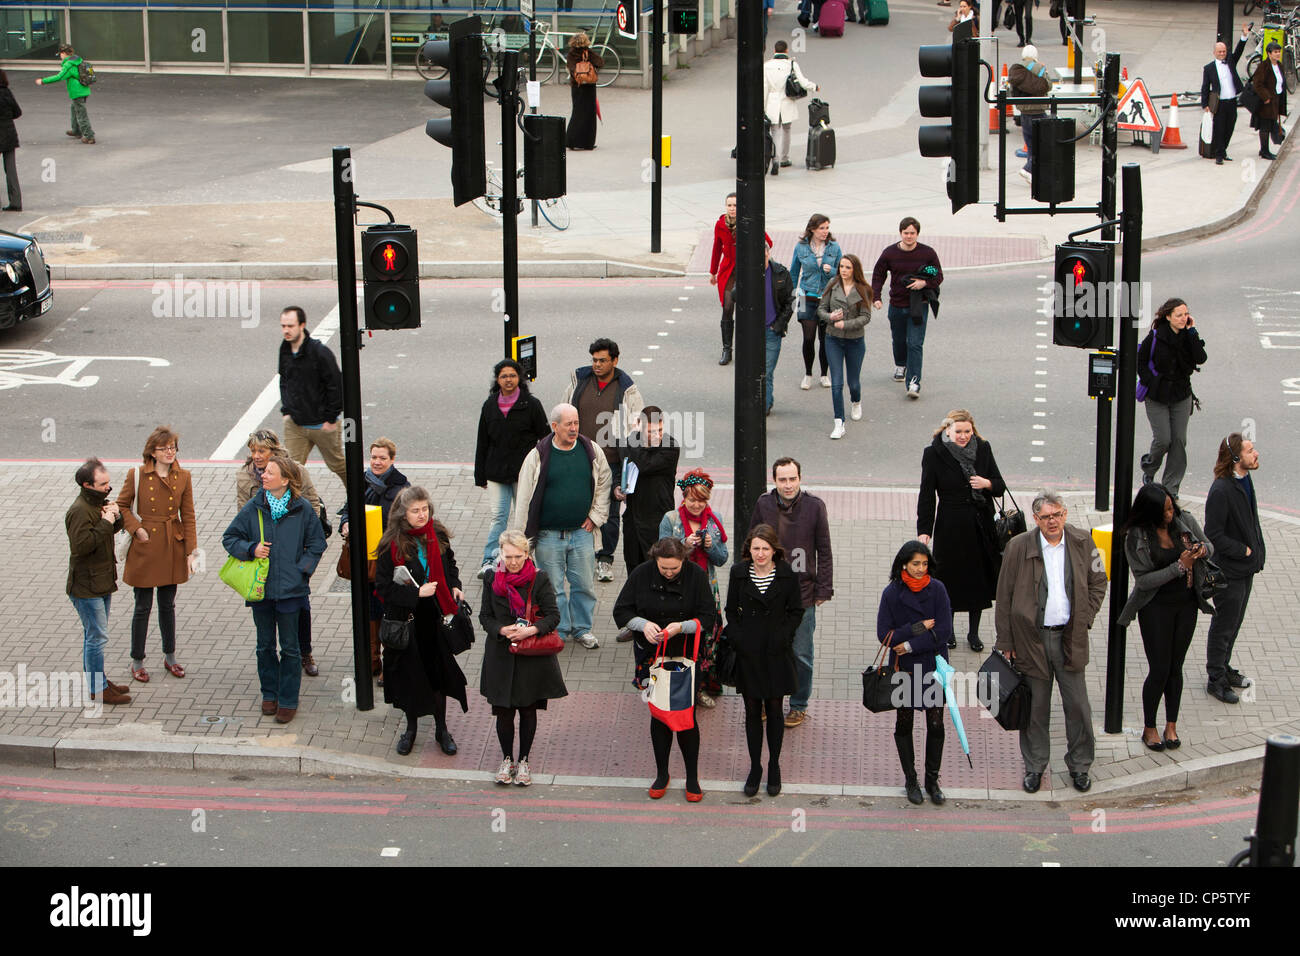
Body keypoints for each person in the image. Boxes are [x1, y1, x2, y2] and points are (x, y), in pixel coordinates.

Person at [994, 491, 1107, 793]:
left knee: (1079, 707)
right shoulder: (1017, 547)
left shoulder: (1084, 541)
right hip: (1031, 641)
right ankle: (1034, 767)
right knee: (1035, 710)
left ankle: (1080, 766)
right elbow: (1003, 597)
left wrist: (1085, 618)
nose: (1052, 521)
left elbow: (1099, 580)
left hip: (1070, 638)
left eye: (1057, 514)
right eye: (1046, 517)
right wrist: (1005, 640)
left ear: (1065, 514)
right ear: (1036, 519)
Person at [222, 456, 326, 724]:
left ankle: (289, 700)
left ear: (285, 480)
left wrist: (302, 570)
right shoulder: (254, 507)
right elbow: (229, 538)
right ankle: (269, 693)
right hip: (262, 592)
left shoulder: (302, 509)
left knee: (290, 649)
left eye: (269, 472)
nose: (263, 476)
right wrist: (250, 549)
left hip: (292, 592)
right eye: (264, 472)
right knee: (264, 646)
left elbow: (317, 544)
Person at [613, 537, 717, 802]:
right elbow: (622, 610)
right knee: (658, 715)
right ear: (655, 560)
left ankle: (692, 777)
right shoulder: (641, 574)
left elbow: (708, 617)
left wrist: (681, 627)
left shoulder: (696, 575)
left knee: (685, 717)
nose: (669, 573)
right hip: (652, 656)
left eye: (674, 568)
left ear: (683, 560)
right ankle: (662, 773)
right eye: (664, 568)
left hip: (685, 656)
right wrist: (642, 624)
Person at [1117, 485, 1214, 751]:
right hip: (1155, 608)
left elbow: (1210, 545)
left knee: (1175, 667)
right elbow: (1144, 580)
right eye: (1166, 510)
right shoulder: (1137, 537)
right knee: (1159, 669)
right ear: (1150, 512)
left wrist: (1201, 551)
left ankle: (1171, 725)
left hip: (1186, 605)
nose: (1172, 513)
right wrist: (1180, 567)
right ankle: (1150, 727)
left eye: (1172, 507)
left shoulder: (1185, 522)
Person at [374, 487, 468, 756]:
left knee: (439, 678)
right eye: (415, 510)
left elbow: (450, 563)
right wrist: (415, 593)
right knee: (411, 680)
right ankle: (411, 729)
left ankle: (441, 729)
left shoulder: (436, 533)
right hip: (409, 621)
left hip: (436, 620)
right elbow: (383, 588)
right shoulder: (391, 543)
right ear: (403, 513)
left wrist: (455, 585)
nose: (421, 514)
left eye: (425, 509)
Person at [515, 403, 612, 649]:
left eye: (576, 423)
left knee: (584, 586)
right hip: (548, 536)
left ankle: (582, 629)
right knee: (554, 589)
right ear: (554, 426)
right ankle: (559, 629)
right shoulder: (538, 455)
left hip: (582, 533)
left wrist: (596, 517)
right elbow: (525, 498)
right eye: (568, 424)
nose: (574, 428)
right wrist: (521, 539)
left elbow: (604, 483)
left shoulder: (591, 450)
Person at [748, 457, 833, 728]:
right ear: (774, 480)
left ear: (800, 478)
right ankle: (765, 699)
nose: (788, 485)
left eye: (792, 479)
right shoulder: (763, 504)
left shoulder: (815, 506)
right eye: (782, 479)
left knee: (801, 654)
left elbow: (825, 551)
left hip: (803, 595)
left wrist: (823, 588)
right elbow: (751, 543)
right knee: (765, 650)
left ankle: (798, 704)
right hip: (767, 592)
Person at [235, 428, 326, 678]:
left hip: (292, 554)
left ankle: (305, 652)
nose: (256, 456)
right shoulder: (245, 477)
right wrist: (253, 548)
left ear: (273, 451)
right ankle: (274, 670)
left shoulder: (293, 470)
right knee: (265, 615)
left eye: (261, 451)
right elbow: (242, 517)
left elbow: (312, 504)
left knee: (301, 608)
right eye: (253, 451)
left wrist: (304, 546)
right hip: (263, 557)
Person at [479, 530, 567, 786]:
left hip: (531, 656)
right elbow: (485, 617)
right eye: (508, 557)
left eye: (518, 556)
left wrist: (530, 630)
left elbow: (553, 616)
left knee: (528, 711)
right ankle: (507, 759)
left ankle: (524, 760)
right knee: (504, 713)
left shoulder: (539, 580)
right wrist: (502, 630)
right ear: (501, 555)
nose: (513, 562)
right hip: (501, 655)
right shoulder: (491, 578)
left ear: (527, 555)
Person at [917, 410, 1007, 653]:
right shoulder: (934, 454)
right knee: (949, 580)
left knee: (977, 580)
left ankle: (974, 633)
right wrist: (924, 529)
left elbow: (999, 485)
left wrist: (986, 483)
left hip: (979, 525)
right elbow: (927, 495)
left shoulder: (983, 448)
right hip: (950, 525)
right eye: (959, 432)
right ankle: (950, 631)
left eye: (967, 431)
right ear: (948, 430)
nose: (964, 436)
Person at [724, 524, 802, 798]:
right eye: (755, 548)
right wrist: (739, 638)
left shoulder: (786, 575)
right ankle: (755, 767)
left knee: (775, 710)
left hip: (776, 653)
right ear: (749, 549)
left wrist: (782, 637)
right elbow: (731, 611)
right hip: (749, 653)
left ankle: (774, 765)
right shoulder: (738, 574)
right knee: (752, 711)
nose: (759, 554)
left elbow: (796, 611)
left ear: (774, 550)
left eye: (765, 549)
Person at [116, 426, 198, 683]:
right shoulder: (137, 475)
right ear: (153, 451)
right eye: (165, 448)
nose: (170, 452)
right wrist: (136, 528)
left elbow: (189, 516)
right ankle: (137, 660)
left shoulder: (183, 476)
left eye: (173, 447)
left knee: (167, 605)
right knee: (142, 606)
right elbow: (121, 506)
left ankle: (170, 656)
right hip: (145, 545)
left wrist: (191, 552)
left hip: (172, 545)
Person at [561, 338, 644, 584]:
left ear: (615, 361)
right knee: (579, 504)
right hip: (580, 457)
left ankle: (605, 558)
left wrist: (630, 466)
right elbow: (562, 412)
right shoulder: (580, 382)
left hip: (612, 461)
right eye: (594, 360)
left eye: (603, 360)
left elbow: (636, 430)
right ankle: (580, 553)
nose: (597, 364)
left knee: (609, 512)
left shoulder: (627, 389)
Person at [877, 541, 953, 805]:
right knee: (904, 721)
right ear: (903, 565)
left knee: (935, 722)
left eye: (924, 564)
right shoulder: (891, 593)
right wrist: (918, 627)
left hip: (932, 666)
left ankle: (932, 780)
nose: (920, 569)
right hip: (905, 669)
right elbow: (884, 634)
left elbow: (943, 632)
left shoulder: (938, 590)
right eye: (915, 564)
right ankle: (911, 779)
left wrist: (908, 643)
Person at [339, 436, 411, 682]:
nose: (377, 462)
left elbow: (404, 524)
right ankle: (371, 659)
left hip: (387, 559)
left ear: (392, 460)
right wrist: (346, 523)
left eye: (382, 458)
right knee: (368, 610)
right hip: (363, 557)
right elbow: (348, 508)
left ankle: (389, 663)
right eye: (373, 457)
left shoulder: (401, 487)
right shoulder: (361, 480)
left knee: (387, 608)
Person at [659, 469, 729, 707]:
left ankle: (701, 686)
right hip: (677, 589)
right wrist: (682, 545)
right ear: (684, 497)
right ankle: (680, 685)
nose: (697, 505)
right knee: (681, 640)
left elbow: (721, 559)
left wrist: (710, 546)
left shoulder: (714, 519)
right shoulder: (670, 519)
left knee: (707, 639)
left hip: (707, 589)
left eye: (701, 500)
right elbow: (659, 555)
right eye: (692, 499)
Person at [474, 358, 550, 577]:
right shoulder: (490, 405)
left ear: (520, 378)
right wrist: (480, 476)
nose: (508, 380)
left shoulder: (531, 404)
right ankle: (490, 559)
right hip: (496, 473)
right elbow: (483, 441)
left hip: (523, 473)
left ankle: (524, 558)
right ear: (497, 380)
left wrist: (542, 471)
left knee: (523, 517)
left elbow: (544, 439)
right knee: (499, 516)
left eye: (512, 375)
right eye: (503, 376)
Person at [1203, 433, 1264, 704]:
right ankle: (1215, 678)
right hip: (1230, 570)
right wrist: (1243, 550)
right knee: (1224, 624)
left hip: (1246, 568)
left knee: (1235, 622)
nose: (1256, 454)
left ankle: (1224, 668)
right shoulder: (1221, 490)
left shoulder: (1244, 480)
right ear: (1237, 458)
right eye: (1250, 451)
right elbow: (1213, 534)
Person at [65, 458, 131, 705]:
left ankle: (100, 682)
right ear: (87, 484)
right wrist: (106, 521)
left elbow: (109, 529)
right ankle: (97, 688)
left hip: (101, 581)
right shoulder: (79, 511)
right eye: (103, 484)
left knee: (93, 636)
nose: (108, 488)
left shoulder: (96, 502)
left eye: (108, 483)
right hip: (87, 586)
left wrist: (115, 516)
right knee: (97, 637)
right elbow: (81, 546)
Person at [1137, 298, 1207, 500]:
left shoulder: (1188, 336)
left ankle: (1171, 488)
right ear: (1168, 317)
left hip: (1181, 395)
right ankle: (1150, 468)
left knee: (1178, 441)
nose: (1183, 318)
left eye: (1186, 314)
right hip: (1157, 395)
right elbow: (1140, 361)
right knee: (1163, 439)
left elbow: (1201, 358)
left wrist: (1192, 332)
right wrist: (1151, 381)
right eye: (1179, 315)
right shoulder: (1156, 337)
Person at [872, 217, 943, 399]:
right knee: (899, 339)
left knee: (915, 343)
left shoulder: (927, 254)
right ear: (900, 233)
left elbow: (937, 275)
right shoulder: (890, 253)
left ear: (917, 234)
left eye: (912, 233)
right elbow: (879, 274)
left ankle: (914, 382)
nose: (909, 236)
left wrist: (924, 283)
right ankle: (901, 364)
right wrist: (876, 297)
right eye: (906, 233)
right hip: (896, 303)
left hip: (918, 305)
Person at [278, 306, 346, 493]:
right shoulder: (284, 349)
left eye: (290, 325)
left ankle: (359, 497)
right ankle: (293, 507)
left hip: (322, 425)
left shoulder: (319, 352)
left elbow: (336, 385)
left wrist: (331, 418)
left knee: (338, 465)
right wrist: (287, 411)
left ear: (302, 325)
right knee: (290, 469)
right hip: (296, 425)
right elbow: (284, 380)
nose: (286, 330)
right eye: (283, 326)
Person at [709, 194, 775, 366]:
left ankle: (749, 349)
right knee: (728, 307)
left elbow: (768, 242)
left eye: (736, 205)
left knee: (748, 310)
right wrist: (713, 271)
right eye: (729, 205)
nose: (732, 208)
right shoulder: (720, 224)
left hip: (746, 270)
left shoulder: (748, 221)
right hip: (728, 271)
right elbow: (716, 247)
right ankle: (727, 349)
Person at [615, 406, 680, 575]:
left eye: (660, 429)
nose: (657, 435)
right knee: (634, 573)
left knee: (657, 572)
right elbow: (620, 471)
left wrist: (634, 441)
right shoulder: (629, 443)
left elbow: (643, 464)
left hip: (658, 521)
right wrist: (616, 488)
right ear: (639, 425)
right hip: (634, 521)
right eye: (651, 431)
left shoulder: (670, 447)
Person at [817, 253, 872, 439]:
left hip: (855, 340)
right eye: (841, 267)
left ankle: (856, 401)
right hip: (833, 339)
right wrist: (831, 318)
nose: (844, 270)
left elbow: (866, 317)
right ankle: (839, 422)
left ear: (855, 269)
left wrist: (845, 324)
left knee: (853, 383)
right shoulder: (833, 284)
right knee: (837, 383)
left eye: (848, 267)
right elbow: (821, 309)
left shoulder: (863, 289)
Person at [790, 215, 841, 392]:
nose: (825, 232)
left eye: (827, 228)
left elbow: (844, 271)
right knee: (808, 338)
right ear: (812, 229)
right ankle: (808, 373)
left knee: (825, 339)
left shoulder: (834, 247)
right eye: (822, 228)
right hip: (806, 296)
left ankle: (824, 374)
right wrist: (791, 299)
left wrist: (832, 270)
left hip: (827, 298)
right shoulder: (801, 247)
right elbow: (794, 273)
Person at [763, 42, 817, 175]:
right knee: (787, 130)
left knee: (774, 131)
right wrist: (814, 86)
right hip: (787, 101)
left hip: (772, 101)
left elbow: (764, 88)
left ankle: (774, 160)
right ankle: (784, 158)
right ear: (786, 50)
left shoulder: (766, 66)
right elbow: (802, 82)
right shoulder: (791, 64)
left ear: (774, 50)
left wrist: (763, 106)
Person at [1201, 27, 1250, 165]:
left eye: (1224, 51)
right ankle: (1219, 154)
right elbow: (1205, 87)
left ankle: (1224, 150)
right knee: (1219, 128)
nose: (1222, 54)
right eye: (1220, 52)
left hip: (1232, 101)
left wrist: (1244, 37)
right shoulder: (1209, 68)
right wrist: (1205, 104)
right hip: (1219, 103)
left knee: (1230, 126)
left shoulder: (1230, 61)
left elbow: (1239, 51)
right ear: (1214, 53)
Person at [761, 240, 797, 416]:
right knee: (755, 371)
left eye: (764, 254)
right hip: (752, 333)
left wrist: (779, 325)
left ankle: (765, 406)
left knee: (766, 371)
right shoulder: (747, 272)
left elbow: (791, 302)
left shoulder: (781, 272)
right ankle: (766, 400)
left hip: (771, 331)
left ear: (768, 253)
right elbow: (736, 295)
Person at [1009, 46, 1052, 185]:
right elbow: (1048, 85)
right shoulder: (1039, 67)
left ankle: (1032, 174)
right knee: (1044, 143)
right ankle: (1028, 169)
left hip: (1024, 113)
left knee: (1030, 144)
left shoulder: (1017, 70)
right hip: (1038, 111)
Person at [35, 45, 93, 144]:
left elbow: (59, 77)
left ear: (64, 53)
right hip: (84, 89)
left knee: (81, 114)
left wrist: (43, 81)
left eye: (60, 54)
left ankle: (89, 136)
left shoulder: (68, 64)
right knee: (74, 109)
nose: (60, 56)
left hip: (77, 92)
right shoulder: (78, 60)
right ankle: (76, 130)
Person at [565, 32, 604, 151]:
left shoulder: (571, 54)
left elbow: (571, 68)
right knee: (589, 115)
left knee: (577, 112)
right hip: (589, 86)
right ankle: (587, 143)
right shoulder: (588, 52)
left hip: (577, 86)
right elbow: (600, 62)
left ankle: (571, 140)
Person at [1250, 41, 1288, 160]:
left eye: (1279, 52)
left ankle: (1265, 150)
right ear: (1269, 54)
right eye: (1275, 52)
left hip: (1275, 101)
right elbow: (1258, 84)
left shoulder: (1279, 65)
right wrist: (1266, 97)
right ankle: (1264, 151)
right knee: (1265, 126)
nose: (1277, 54)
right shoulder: (1264, 66)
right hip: (1266, 102)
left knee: (1271, 123)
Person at [0, 71, 22, 211]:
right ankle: (16, 201)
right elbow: (17, 112)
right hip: (8, 133)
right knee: (11, 170)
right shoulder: (6, 92)